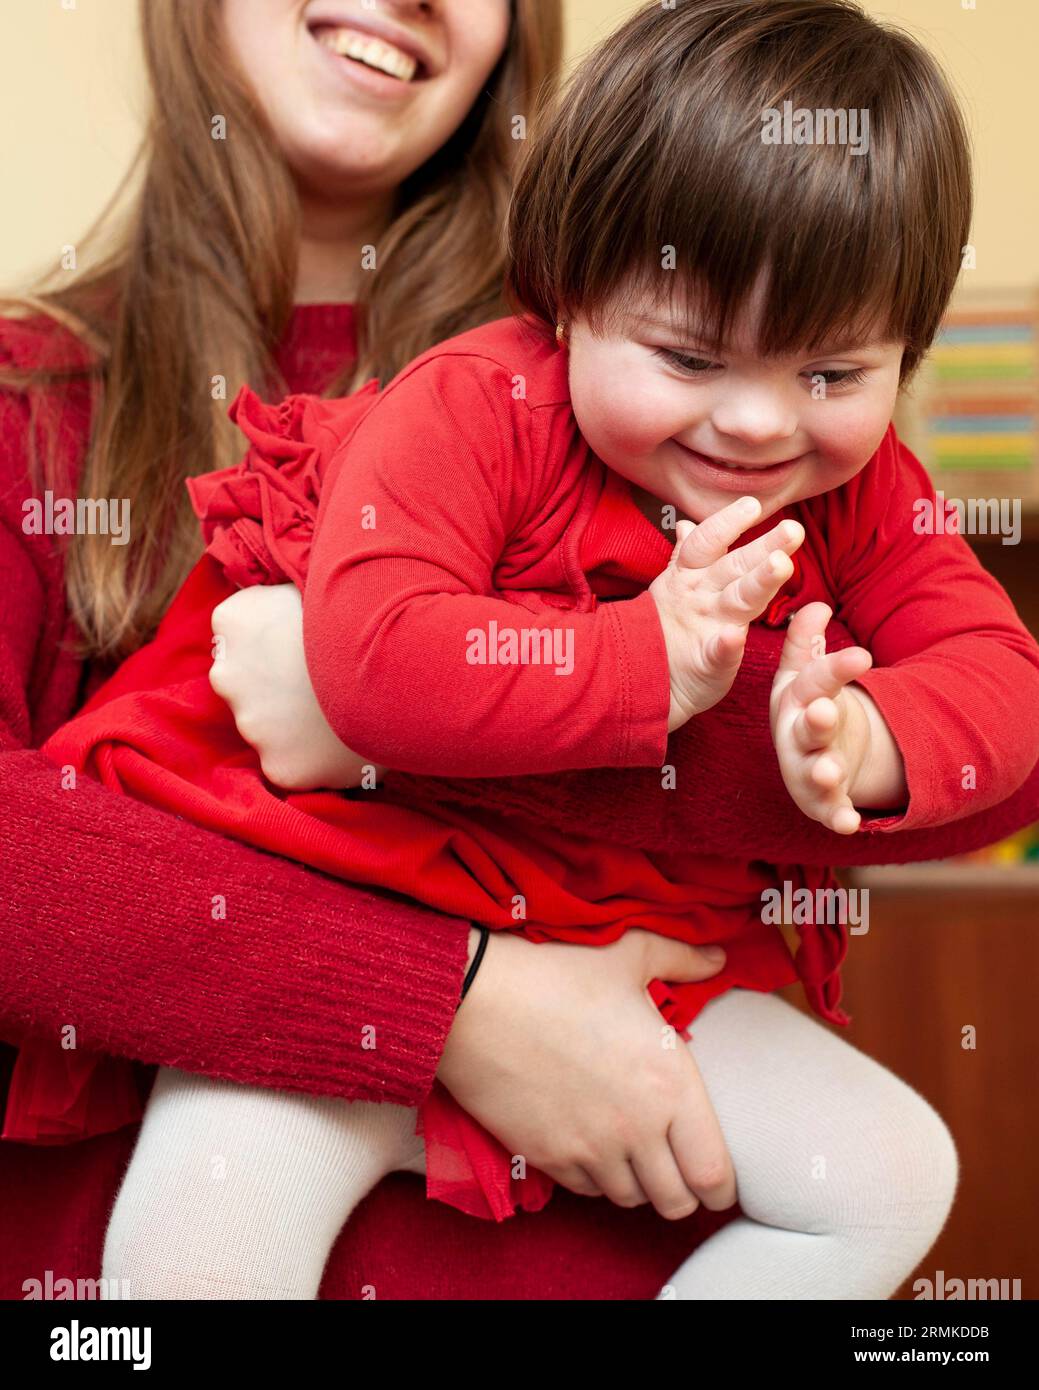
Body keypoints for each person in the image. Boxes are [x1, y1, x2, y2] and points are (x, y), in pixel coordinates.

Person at [1, 0, 1036, 1302]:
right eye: (690, 356)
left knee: (893, 1174)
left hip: (640, 969)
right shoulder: (478, 396)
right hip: (353, 923)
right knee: (200, 1241)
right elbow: (378, 655)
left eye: (836, 371)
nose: (763, 422)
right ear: (570, 301)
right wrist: (647, 672)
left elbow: (1005, 710)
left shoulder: (864, 484)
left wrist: (858, 738)